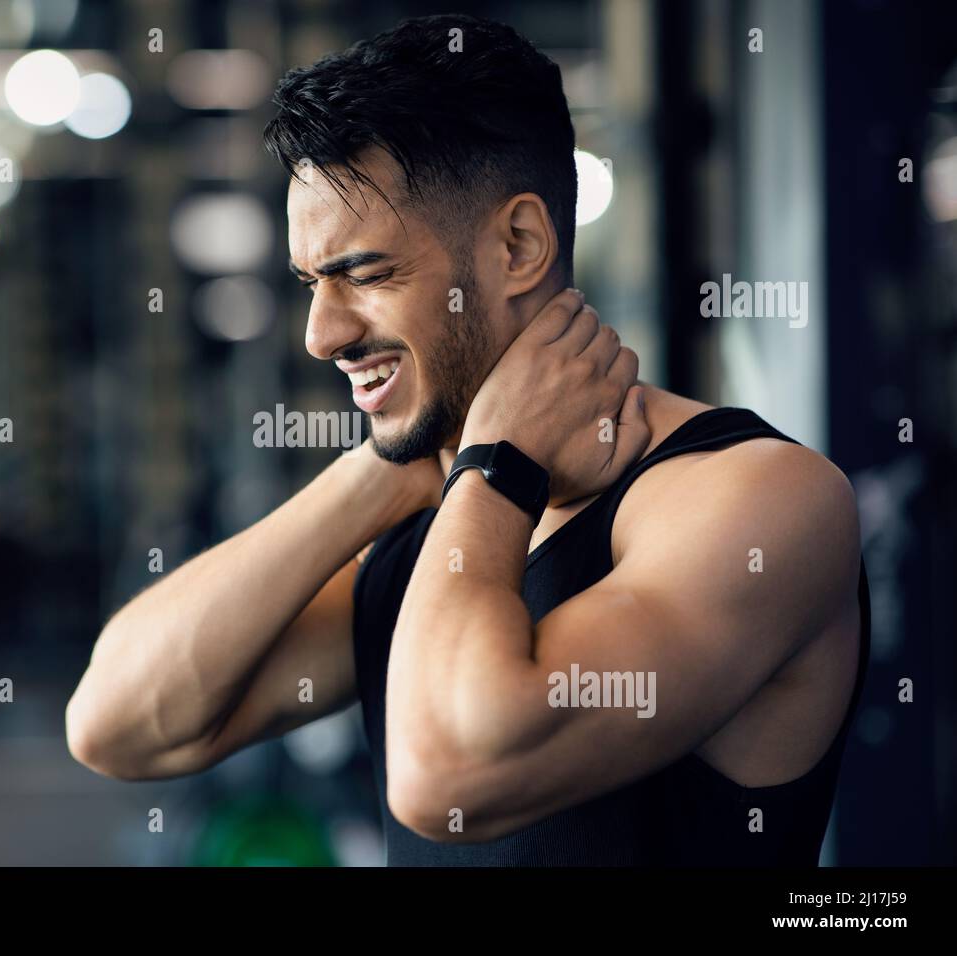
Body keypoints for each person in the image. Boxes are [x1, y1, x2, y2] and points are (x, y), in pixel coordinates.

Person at [66, 14, 869, 865]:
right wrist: (383, 474)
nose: (320, 334)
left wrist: (495, 465)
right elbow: (118, 726)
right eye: (310, 283)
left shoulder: (756, 499)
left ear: (519, 245)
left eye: (365, 275)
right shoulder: (432, 512)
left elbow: (446, 773)